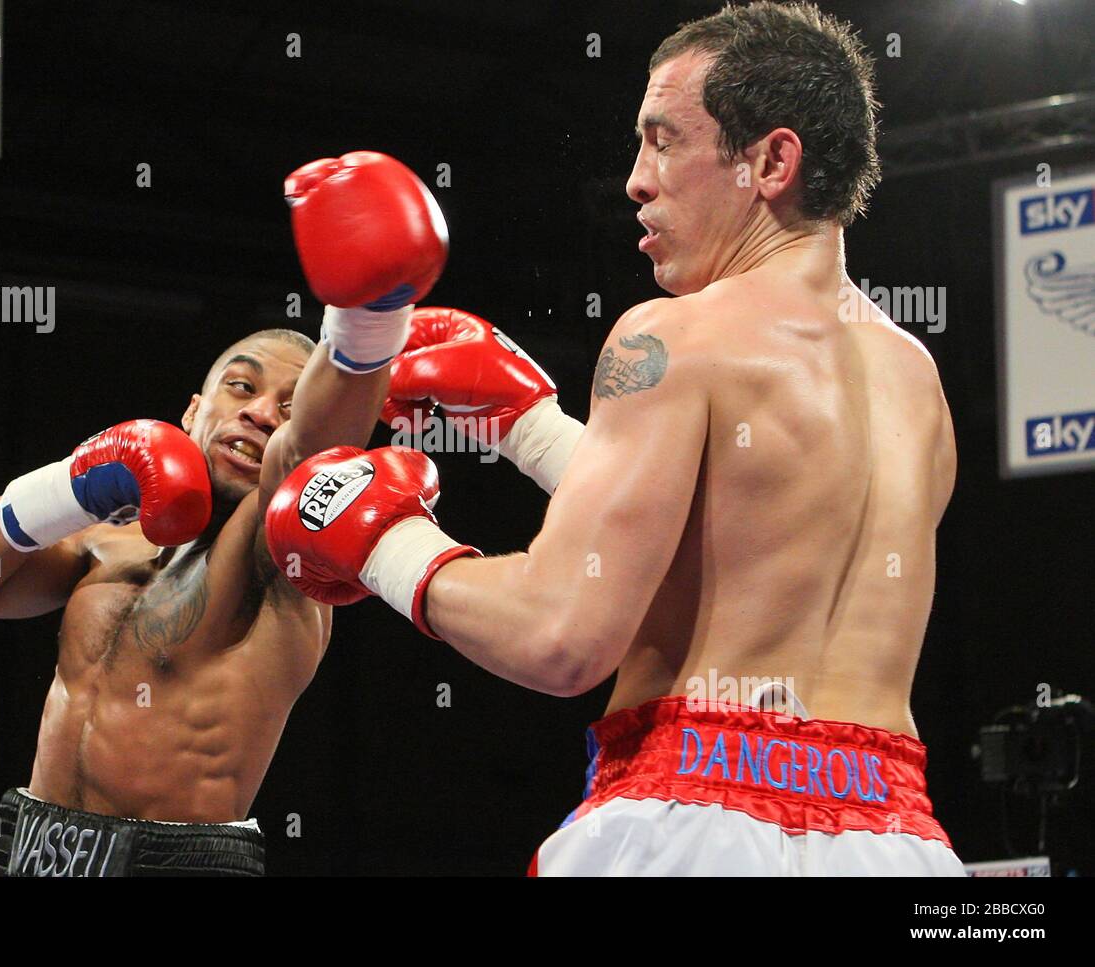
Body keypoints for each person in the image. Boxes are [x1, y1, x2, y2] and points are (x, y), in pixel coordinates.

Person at [264, 3, 965, 875]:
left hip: (694, 812)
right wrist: (531, 432)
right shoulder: (916, 382)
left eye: (664, 140)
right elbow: (729, 541)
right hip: (902, 840)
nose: (635, 179)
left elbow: (561, 634)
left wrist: (381, 538)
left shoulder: (673, 334)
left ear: (772, 162)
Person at [0, 151, 447, 876]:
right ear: (192, 410)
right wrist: (68, 486)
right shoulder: (104, 540)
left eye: (283, 405)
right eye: (240, 386)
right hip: (21, 848)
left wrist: (367, 315)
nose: (257, 414)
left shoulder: (279, 556)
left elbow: (312, 445)